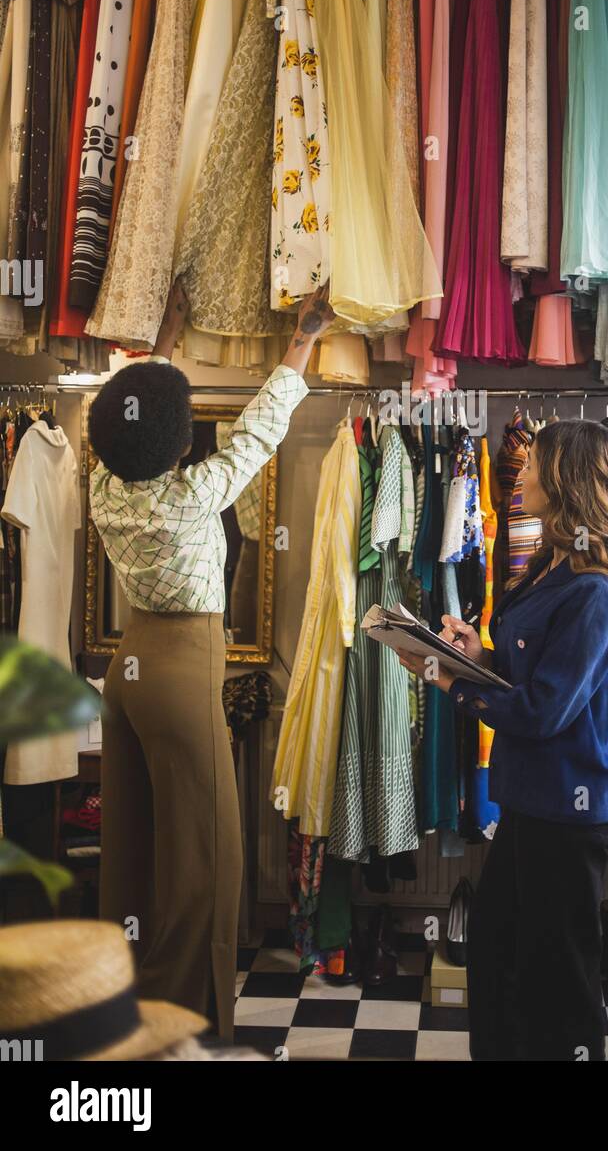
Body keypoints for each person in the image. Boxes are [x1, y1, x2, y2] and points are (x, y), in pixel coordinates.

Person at [88, 280, 332, 1042]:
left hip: (128, 669)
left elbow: (137, 422)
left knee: (132, 841)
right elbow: (260, 431)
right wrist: (304, 336)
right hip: (185, 663)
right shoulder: (190, 497)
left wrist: (165, 338)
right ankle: (187, 1019)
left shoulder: (103, 486)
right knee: (206, 852)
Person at [398, 419, 608, 1062]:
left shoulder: (595, 591)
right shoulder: (554, 567)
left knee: (558, 974)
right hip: (532, 798)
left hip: (567, 809)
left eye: (535, 462)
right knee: (500, 954)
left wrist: (450, 681)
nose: (521, 472)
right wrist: (473, 652)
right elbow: (534, 674)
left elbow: (545, 710)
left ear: (568, 480)